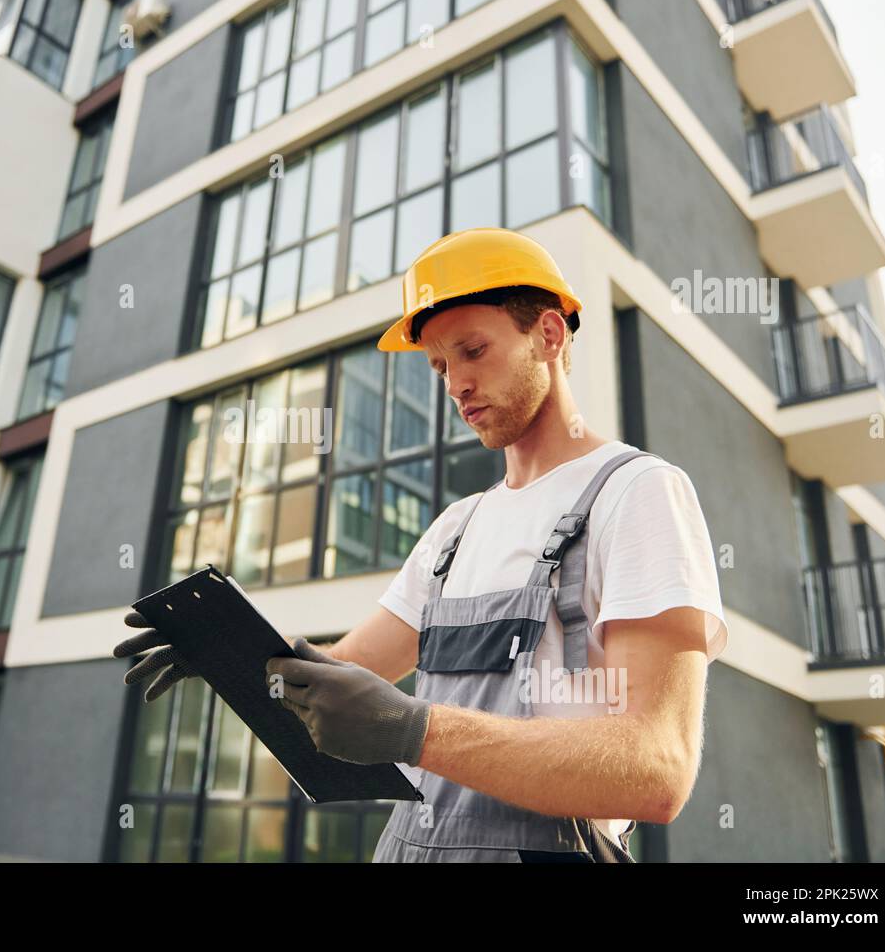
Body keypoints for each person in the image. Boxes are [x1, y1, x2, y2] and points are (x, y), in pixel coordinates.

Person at [115, 228, 729, 863]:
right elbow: (343, 675)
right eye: (439, 366)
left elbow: (659, 768)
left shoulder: (637, 495)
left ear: (548, 335)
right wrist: (230, 654)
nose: (456, 384)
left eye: (472, 351)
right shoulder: (455, 530)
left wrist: (416, 730)